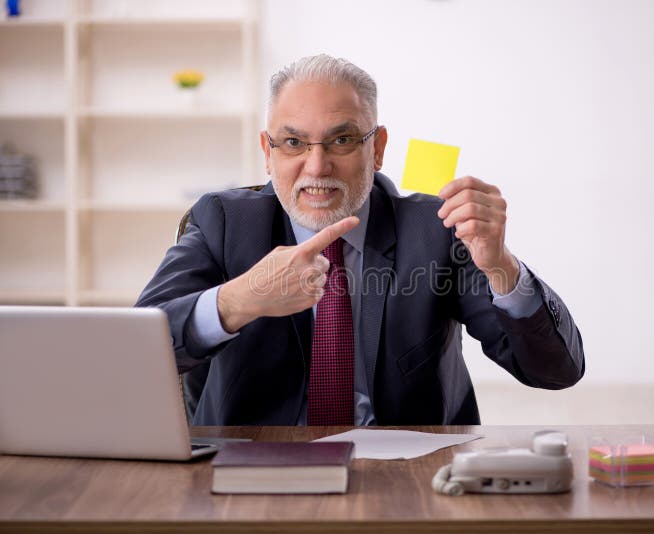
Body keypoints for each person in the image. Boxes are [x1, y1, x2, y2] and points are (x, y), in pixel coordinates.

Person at [136, 54, 584, 426]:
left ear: (378, 147)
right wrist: (239, 300)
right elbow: (134, 353)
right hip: (254, 473)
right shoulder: (223, 221)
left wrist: (501, 266)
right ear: (267, 152)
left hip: (409, 477)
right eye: (293, 142)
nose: (317, 166)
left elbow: (555, 371)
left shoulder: (435, 228)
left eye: (342, 140)